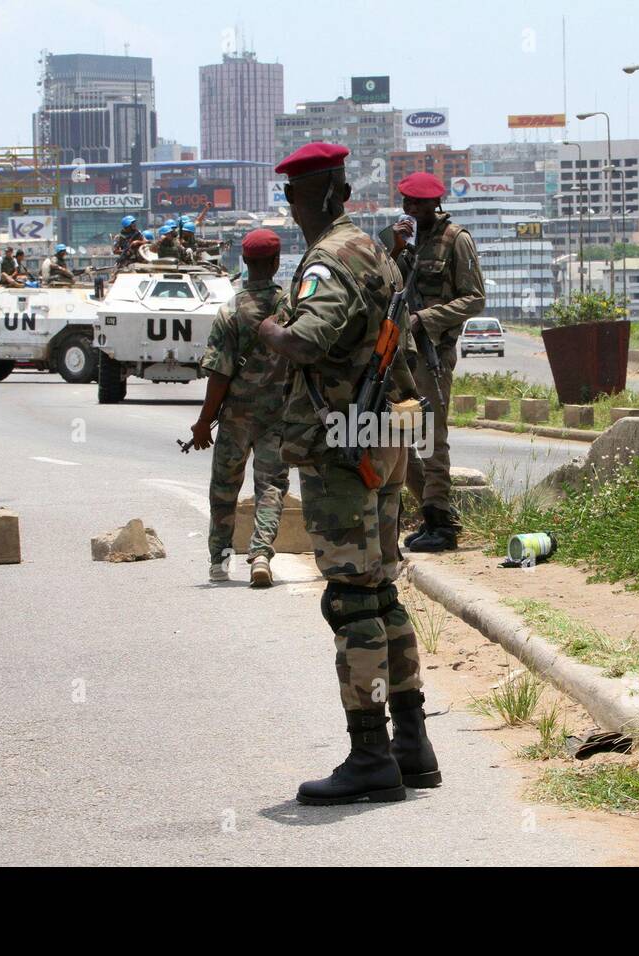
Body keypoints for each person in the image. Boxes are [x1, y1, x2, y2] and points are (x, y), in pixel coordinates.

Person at [256, 141, 440, 806]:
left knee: (350, 599)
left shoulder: (326, 261)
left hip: (344, 443)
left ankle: (370, 754)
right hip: (385, 432)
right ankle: (411, 743)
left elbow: (307, 339)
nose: (292, 203)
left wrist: (267, 328)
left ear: (306, 198)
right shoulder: (371, 249)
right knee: (382, 590)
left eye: (295, 194)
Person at [389, 171, 486, 553]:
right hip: (399, 353)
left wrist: (424, 319)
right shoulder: (403, 239)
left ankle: (440, 523)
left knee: (431, 436)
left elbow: (474, 298)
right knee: (398, 434)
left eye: (418, 204)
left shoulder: (455, 240)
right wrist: (394, 246)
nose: (411, 209)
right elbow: (376, 277)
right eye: (407, 202)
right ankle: (429, 511)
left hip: (432, 353)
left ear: (435, 205)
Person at [191, 229, 291, 588]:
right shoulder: (291, 307)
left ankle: (219, 560)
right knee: (271, 486)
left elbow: (218, 374)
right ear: (276, 263)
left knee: (224, 487)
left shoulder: (230, 311)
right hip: (279, 414)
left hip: (236, 416)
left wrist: (204, 422)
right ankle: (261, 553)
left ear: (245, 263)